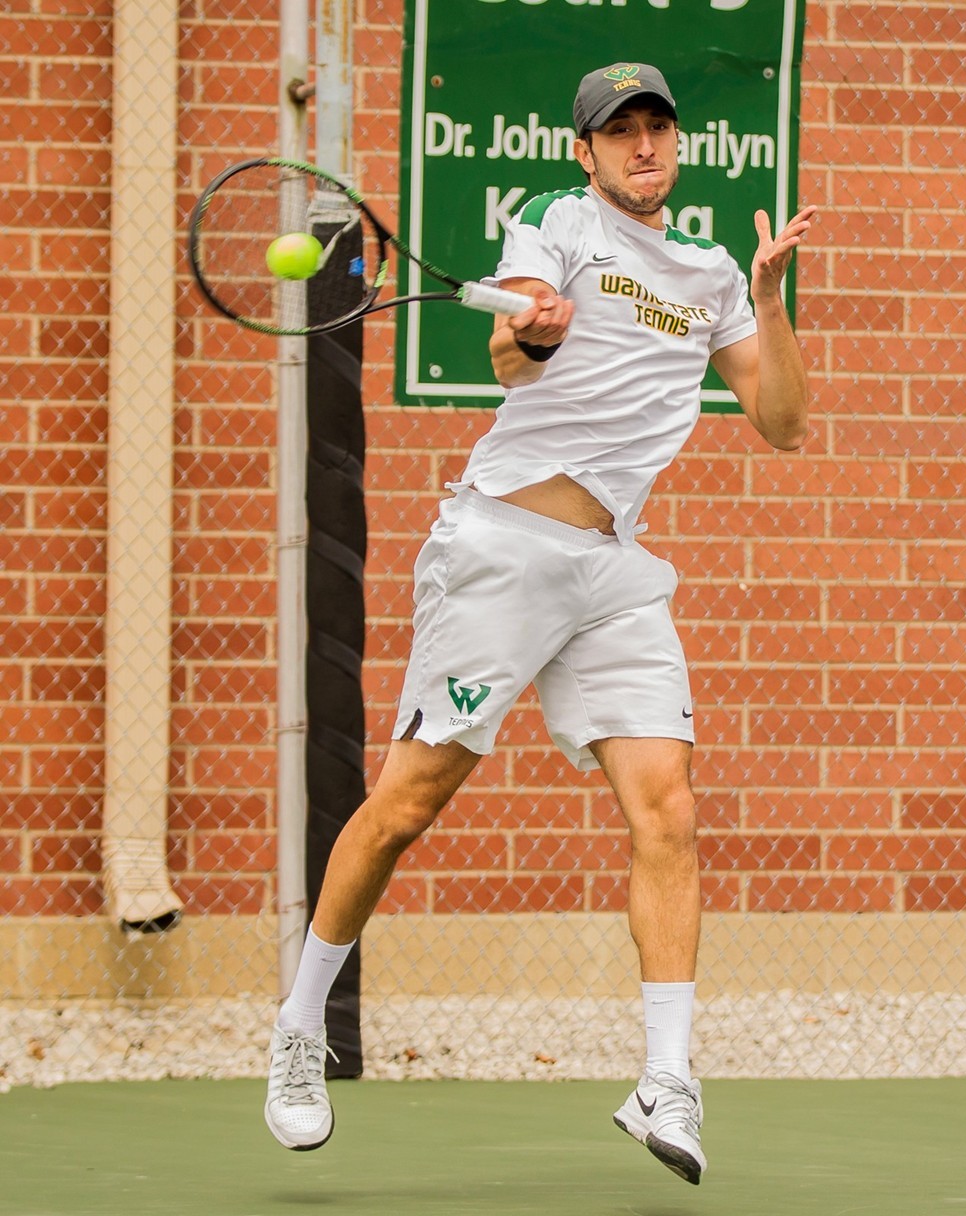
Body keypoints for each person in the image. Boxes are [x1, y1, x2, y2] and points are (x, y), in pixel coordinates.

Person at [264, 61, 816, 1186]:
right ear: (586, 152)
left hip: (612, 570)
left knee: (668, 803)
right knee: (408, 799)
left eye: (658, 129)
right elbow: (506, 356)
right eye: (620, 133)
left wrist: (766, 299)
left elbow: (783, 423)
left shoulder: (710, 272)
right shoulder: (557, 227)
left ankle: (667, 1077)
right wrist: (543, 336)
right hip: (504, 551)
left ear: (678, 147)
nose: (642, 147)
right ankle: (299, 1024)